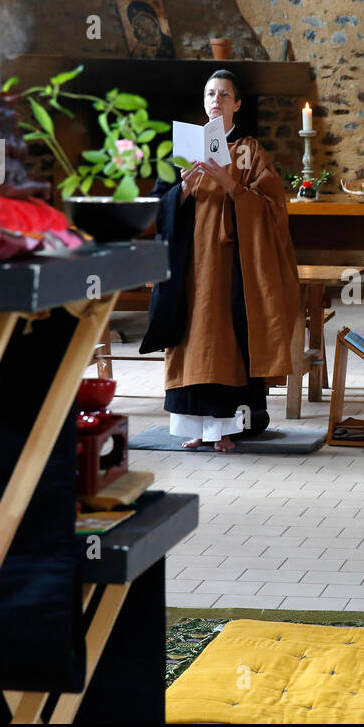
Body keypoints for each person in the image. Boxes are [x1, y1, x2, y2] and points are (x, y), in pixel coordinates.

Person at [140, 69, 300, 451]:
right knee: (190, 341)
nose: (217, 100)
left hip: (233, 266)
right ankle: (197, 427)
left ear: (237, 104)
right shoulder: (183, 149)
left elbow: (273, 208)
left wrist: (230, 185)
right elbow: (156, 208)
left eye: (225, 94)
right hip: (189, 266)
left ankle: (228, 429)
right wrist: (181, 188)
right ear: (204, 101)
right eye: (211, 93)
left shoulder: (249, 150)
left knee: (227, 342)